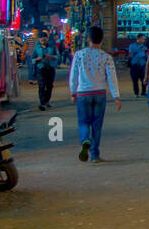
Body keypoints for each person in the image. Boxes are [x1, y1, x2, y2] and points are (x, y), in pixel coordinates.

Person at [68, 25, 121, 163]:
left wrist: (73, 92)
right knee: (97, 125)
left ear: (88, 39)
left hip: (83, 94)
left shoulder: (79, 55)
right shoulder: (106, 57)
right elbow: (112, 77)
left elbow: (73, 75)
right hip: (99, 93)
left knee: (83, 122)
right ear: (102, 40)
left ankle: (85, 139)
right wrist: (116, 96)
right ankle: (95, 155)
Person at [32, 30, 58, 111]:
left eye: (45, 39)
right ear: (39, 39)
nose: (43, 41)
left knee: (49, 86)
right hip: (41, 68)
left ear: (47, 39)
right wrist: (37, 59)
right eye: (41, 39)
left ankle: (47, 101)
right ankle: (42, 103)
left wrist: (51, 56)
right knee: (41, 85)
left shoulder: (52, 46)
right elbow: (32, 59)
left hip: (50, 68)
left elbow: (58, 56)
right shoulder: (37, 48)